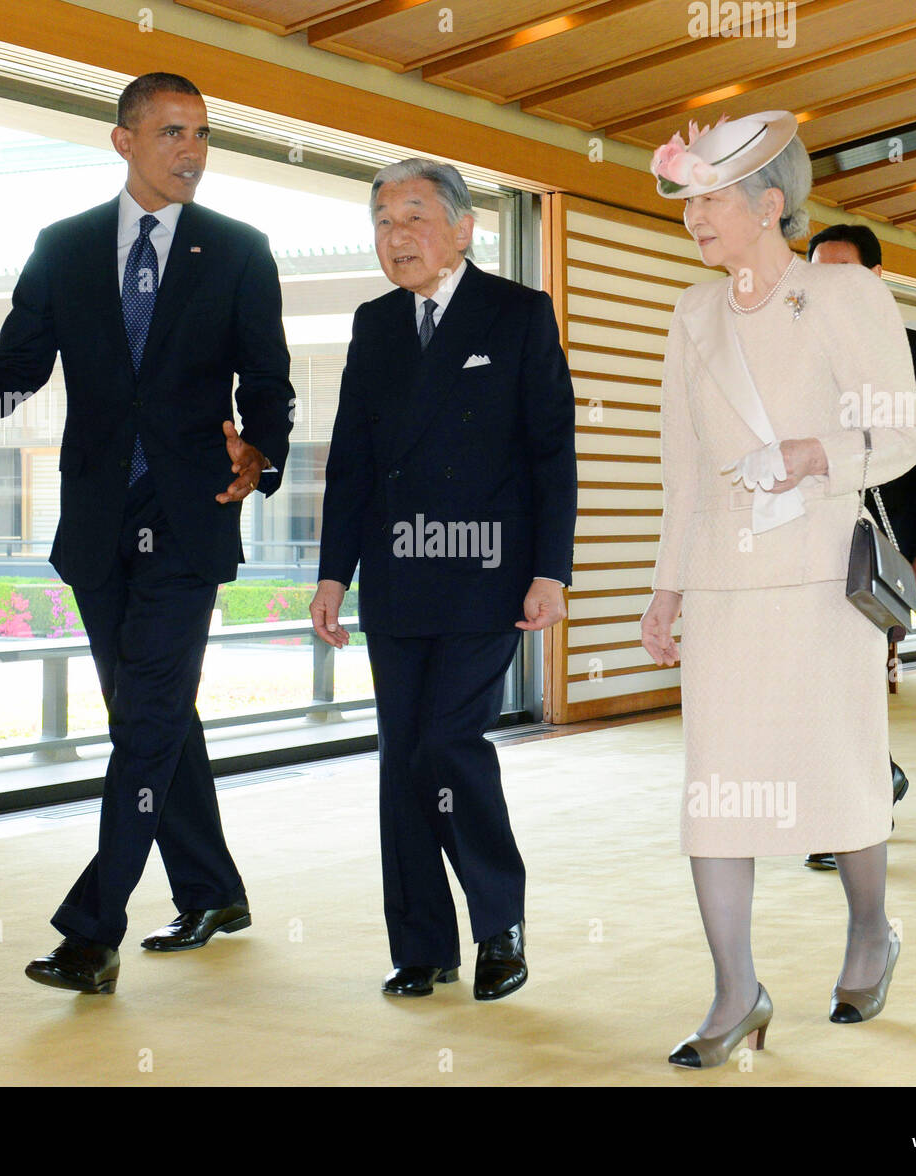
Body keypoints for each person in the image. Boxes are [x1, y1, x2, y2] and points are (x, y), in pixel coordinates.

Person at [0, 73, 295, 993]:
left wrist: (260, 453)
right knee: (153, 719)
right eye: (171, 132)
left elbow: (267, 378)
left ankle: (92, 929)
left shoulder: (239, 249)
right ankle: (213, 890)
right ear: (124, 142)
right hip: (98, 523)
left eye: (202, 134)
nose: (191, 150)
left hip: (192, 518)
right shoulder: (64, 246)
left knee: (148, 717)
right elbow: (22, 362)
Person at [641, 111, 916, 1067]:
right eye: (688, 200)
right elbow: (683, 468)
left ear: (771, 206)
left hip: (818, 576)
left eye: (710, 197)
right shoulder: (693, 314)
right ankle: (735, 990)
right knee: (714, 792)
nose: (694, 216)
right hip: (726, 584)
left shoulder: (843, 294)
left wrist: (821, 454)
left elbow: (904, 434)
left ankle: (869, 932)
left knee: (839, 768)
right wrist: (665, 590)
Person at [310, 158, 576, 1001]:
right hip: (395, 574)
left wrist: (549, 570)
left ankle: (499, 924)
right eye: (384, 221)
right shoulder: (374, 322)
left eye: (416, 218)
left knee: (447, 743)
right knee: (402, 758)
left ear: (464, 228)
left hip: (485, 571)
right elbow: (350, 459)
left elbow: (550, 453)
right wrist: (331, 575)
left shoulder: (519, 313)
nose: (398, 237)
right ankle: (422, 946)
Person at [804, 222, 916, 870]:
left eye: (845, 272)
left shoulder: (915, 348)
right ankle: (871, 784)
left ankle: (849, 816)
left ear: (877, 278)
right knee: (814, 682)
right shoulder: (790, 341)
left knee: (857, 681)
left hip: (878, 541)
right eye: (818, 272)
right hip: (805, 538)